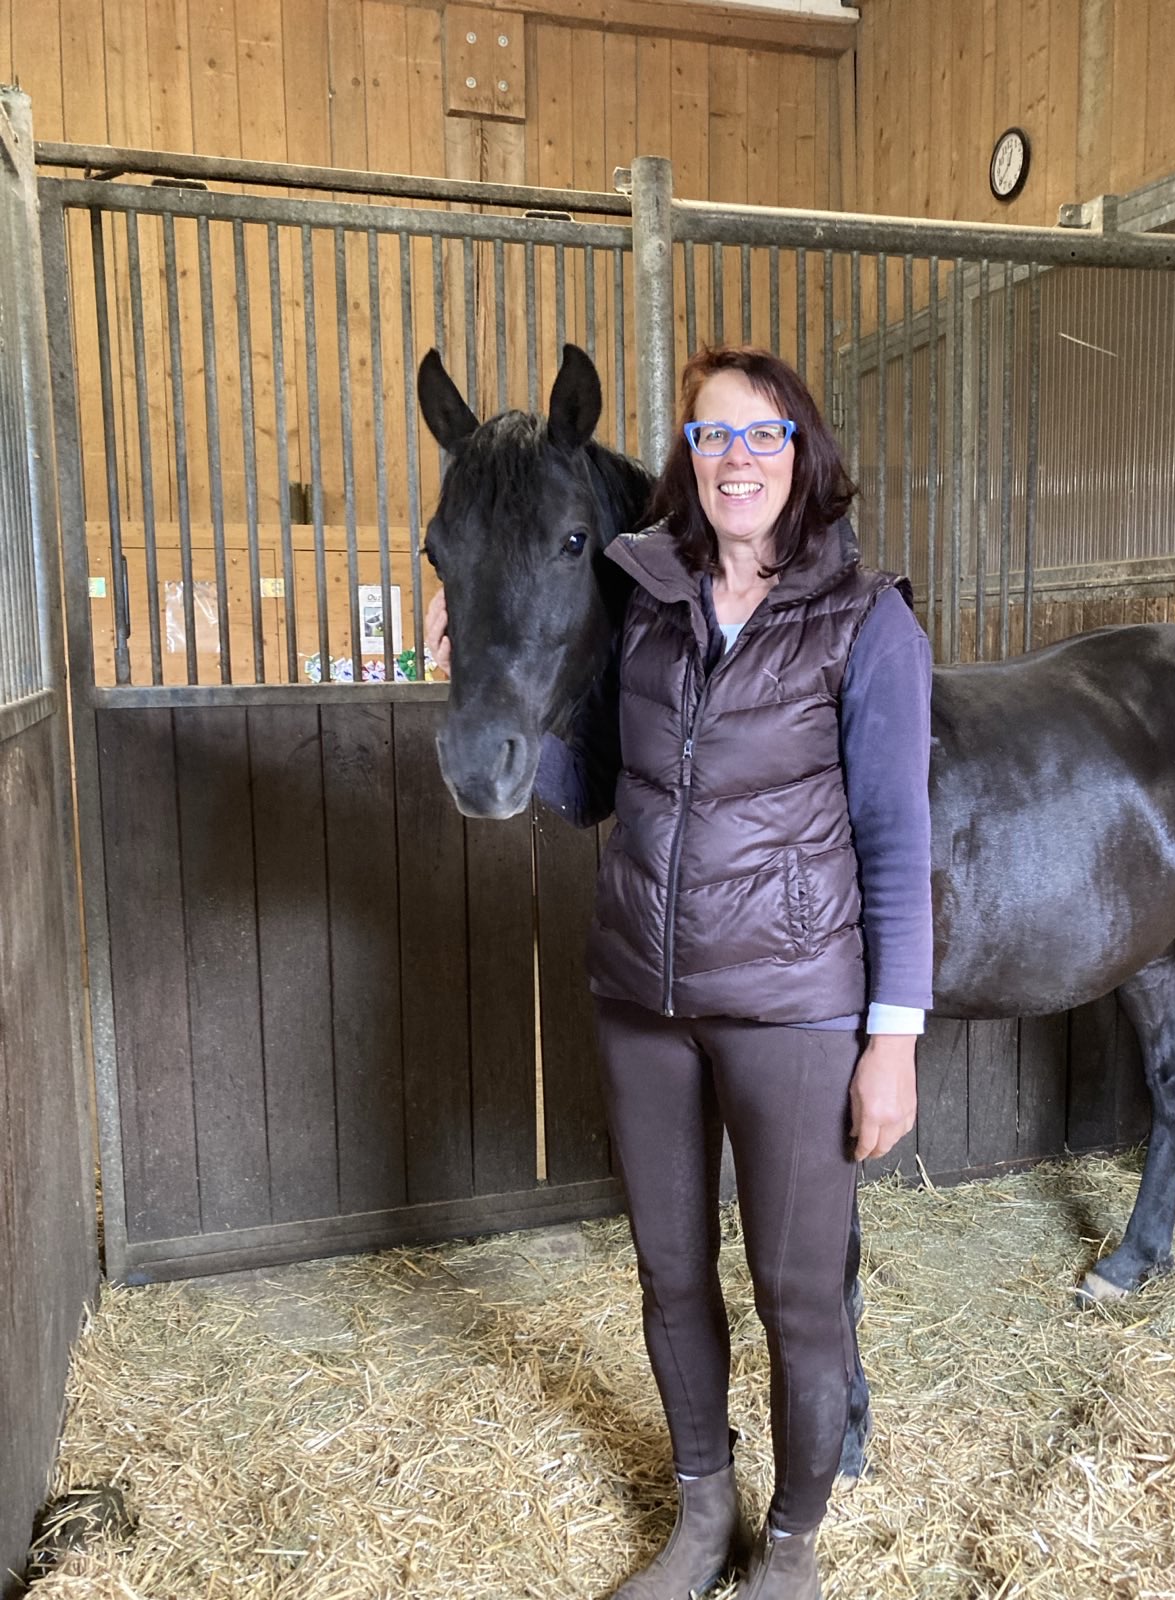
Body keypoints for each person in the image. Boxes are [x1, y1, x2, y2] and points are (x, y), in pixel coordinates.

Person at [426, 345, 933, 1600]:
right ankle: (704, 1520)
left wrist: (893, 1037)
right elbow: (595, 784)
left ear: (801, 454)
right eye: (713, 437)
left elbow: (895, 836)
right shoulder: (648, 606)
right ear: (687, 461)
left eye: (762, 435)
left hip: (795, 1008)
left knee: (797, 1295)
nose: (737, 458)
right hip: (643, 1002)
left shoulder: (867, 619)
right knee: (670, 1276)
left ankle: (792, 1548)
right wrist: (474, 699)